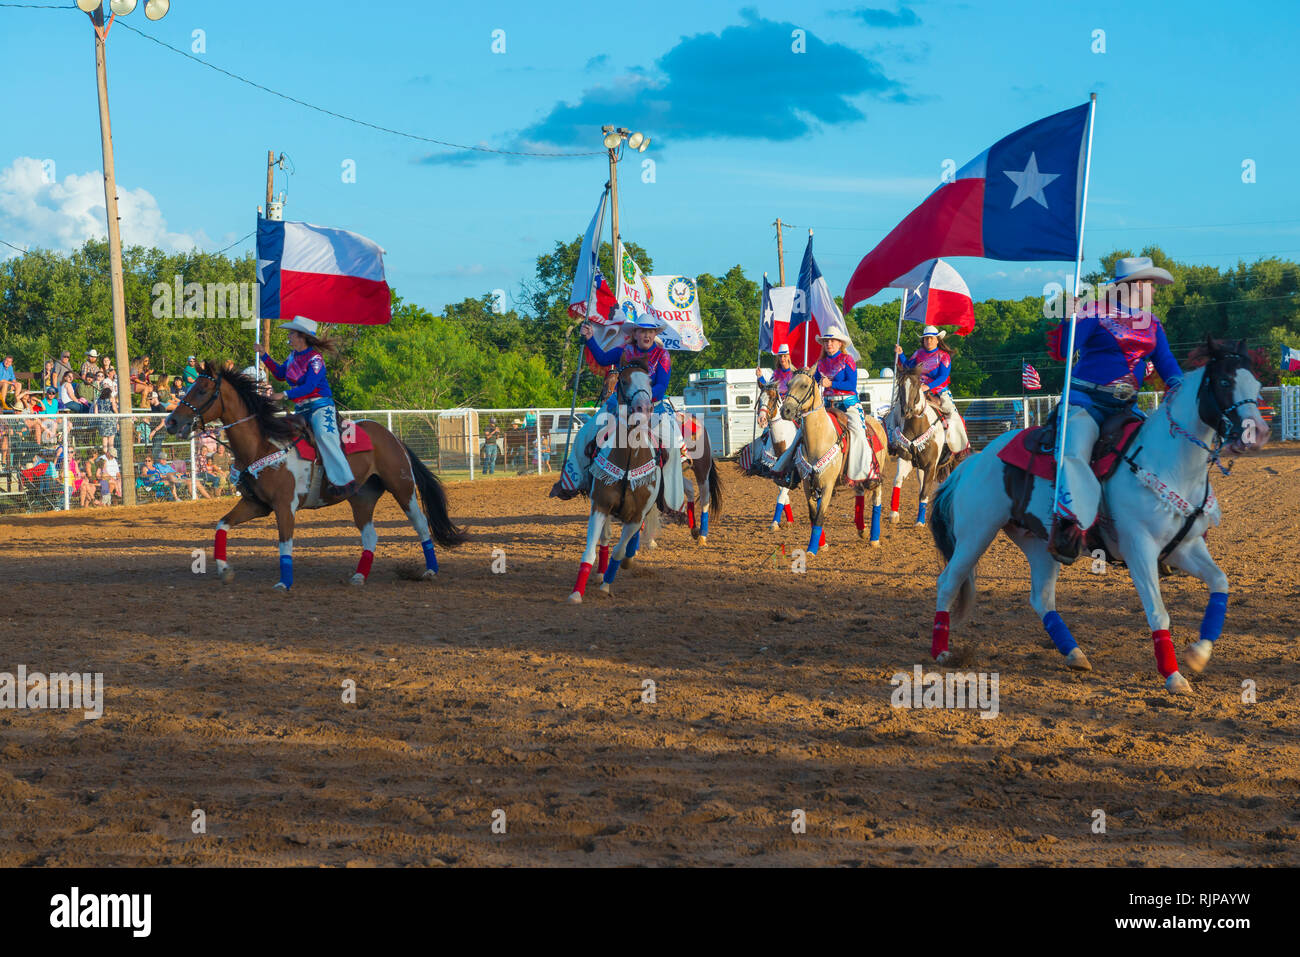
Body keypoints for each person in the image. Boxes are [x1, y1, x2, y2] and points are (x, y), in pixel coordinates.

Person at [1045, 256, 1185, 562]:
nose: (1154, 291)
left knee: (1159, 454)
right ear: (1133, 287)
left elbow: (1167, 364)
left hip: (1126, 409)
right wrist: (1068, 319)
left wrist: (1182, 389)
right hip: (1086, 403)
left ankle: (1160, 530)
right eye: (1149, 284)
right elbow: (1061, 352)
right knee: (1075, 452)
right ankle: (1069, 528)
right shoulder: (1093, 311)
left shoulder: (1152, 323)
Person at [551, 314, 685, 511]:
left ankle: (671, 499)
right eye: (642, 331)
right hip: (621, 402)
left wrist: (642, 398)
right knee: (585, 433)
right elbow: (603, 358)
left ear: (655, 333)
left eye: (650, 331)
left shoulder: (662, 355)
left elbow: (662, 386)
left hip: (652, 404)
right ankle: (574, 480)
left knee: (673, 447)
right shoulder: (625, 351)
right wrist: (589, 338)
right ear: (635, 333)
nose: (646, 335)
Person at [261, 316, 358, 498]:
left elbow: (310, 387)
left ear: (301, 337)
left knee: (324, 434)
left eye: (291, 333)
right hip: (301, 410)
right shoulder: (292, 357)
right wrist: (264, 356)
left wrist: (284, 395)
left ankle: (343, 482)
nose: (288, 336)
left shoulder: (315, 359)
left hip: (320, 407)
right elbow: (281, 374)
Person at [778, 326, 873, 481]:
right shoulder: (820, 363)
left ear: (840, 343)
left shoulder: (847, 360)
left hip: (847, 404)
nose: (829, 343)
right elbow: (812, 384)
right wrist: (806, 375)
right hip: (826, 405)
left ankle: (863, 472)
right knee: (801, 433)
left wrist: (831, 384)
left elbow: (851, 385)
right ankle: (788, 471)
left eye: (832, 340)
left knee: (858, 432)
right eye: (826, 341)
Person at [895, 324, 969, 453]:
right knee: (899, 407)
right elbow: (907, 366)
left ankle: (960, 449)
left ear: (937, 340)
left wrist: (927, 387)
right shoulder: (918, 353)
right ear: (923, 340)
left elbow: (943, 377)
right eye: (926, 338)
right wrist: (901, 354)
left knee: (952, 413)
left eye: (931, 338)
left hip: (939, 391)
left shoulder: (944, 356)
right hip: (918, 389)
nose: (928, 340)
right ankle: (894, 440)